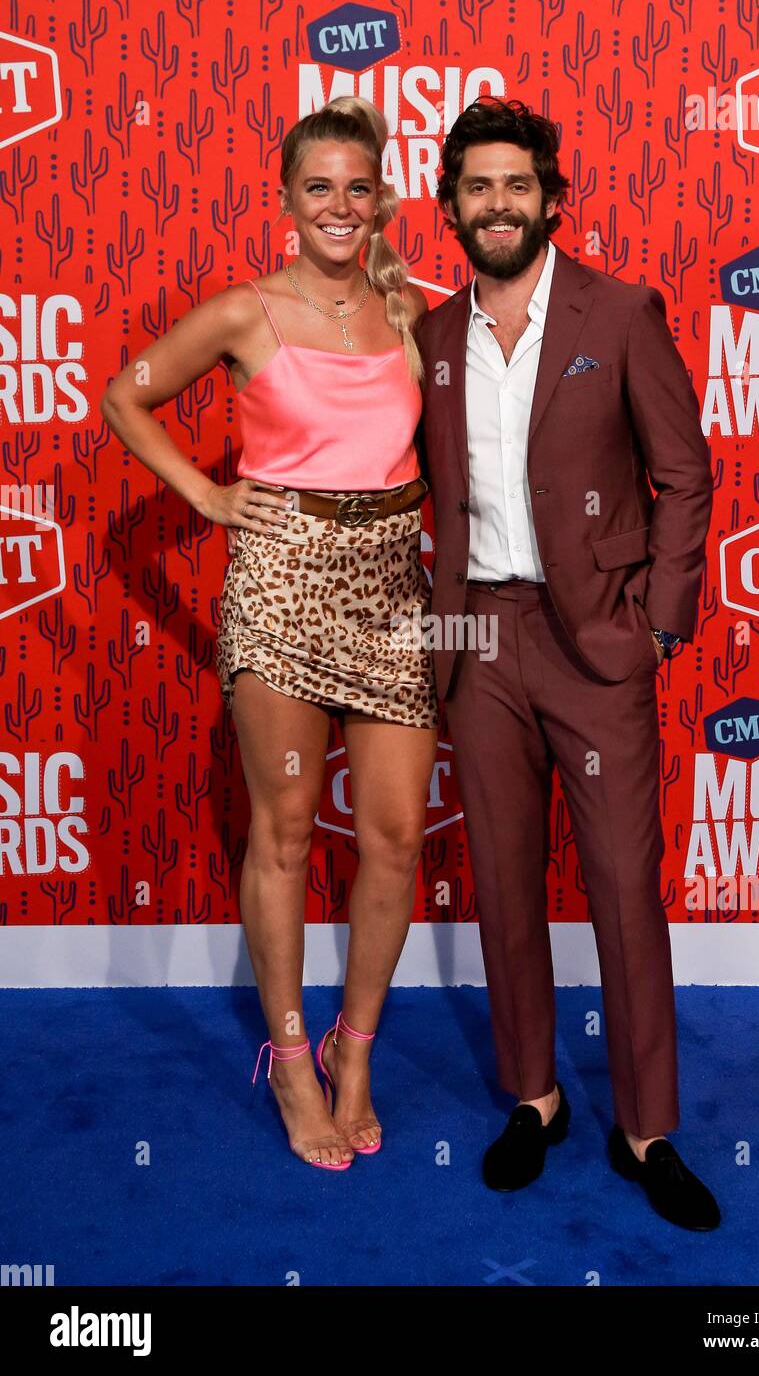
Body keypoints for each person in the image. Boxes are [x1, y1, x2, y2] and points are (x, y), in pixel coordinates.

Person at [101, 97, 438, 1172]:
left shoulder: (414, 311)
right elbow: (125, 395)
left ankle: (358, 1050)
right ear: (287, 199)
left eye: (358, 186)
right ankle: (291, 1056)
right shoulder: (247, 311)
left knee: (391, 840)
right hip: (283, 586)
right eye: (318, 187)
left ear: (383, 198)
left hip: (392, 588)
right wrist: (203, 494)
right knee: (284, 835)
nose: (340, 205)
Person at [413, 98, 720, 1228]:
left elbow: (683, 474)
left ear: (551, 197)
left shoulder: (622, 311)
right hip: (476, 640)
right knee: (503, 884)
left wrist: (660, 625)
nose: (498, 204)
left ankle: (646, 1130)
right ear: (450, 208)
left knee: (624, 893)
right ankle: (534, 1098)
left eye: (515, 185)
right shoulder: (435, 339)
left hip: (597, 642)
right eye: (476, 187)